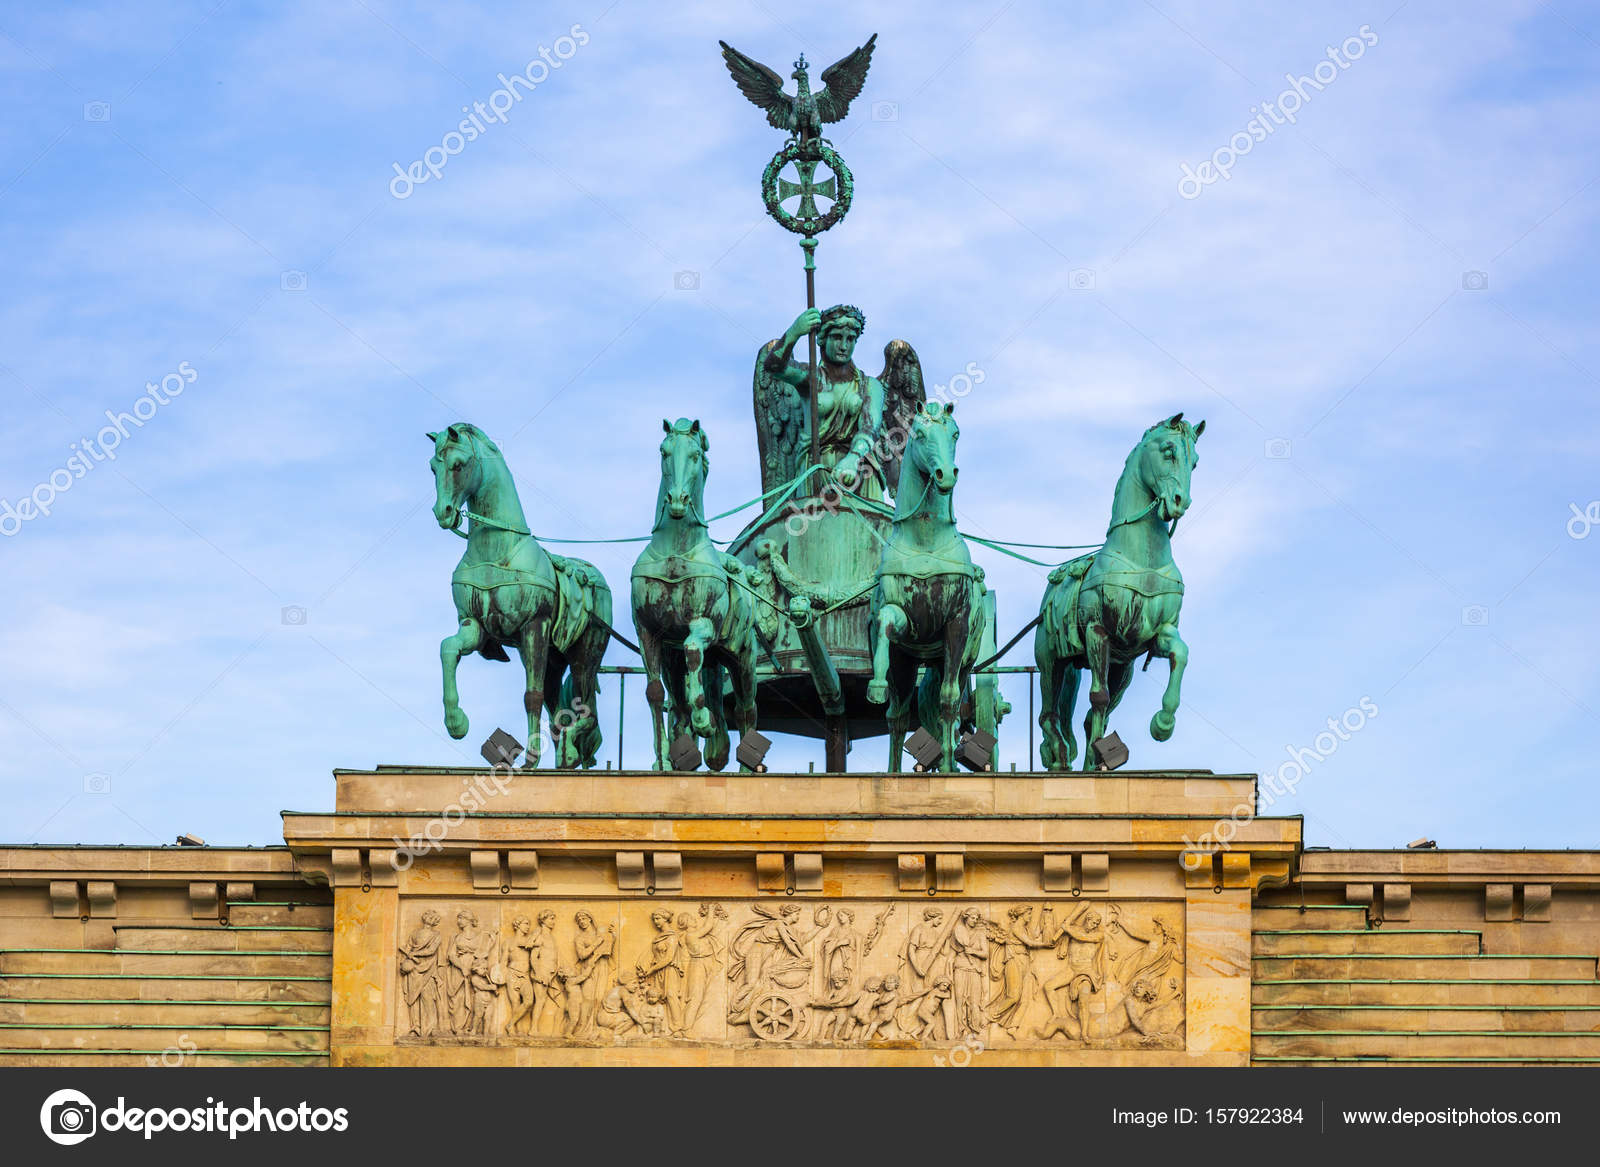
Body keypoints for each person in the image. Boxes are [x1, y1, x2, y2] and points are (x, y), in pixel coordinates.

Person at [762, 305, 888, 496]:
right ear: (822, 339)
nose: (844, 346)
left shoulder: (869, 386)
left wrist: (852, 459)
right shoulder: (810, 378)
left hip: (859, 468)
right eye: (837, 337)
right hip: (816, 469)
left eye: (850, 339)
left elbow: (870, 428)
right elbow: (773, 366)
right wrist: (795, 331)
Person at [396, 909, 445, 1037]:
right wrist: (405, 961)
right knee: (414, 998)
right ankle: (415, 1027)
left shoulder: (436, 935)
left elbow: (431, 950)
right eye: (428, 916)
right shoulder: (415, 933)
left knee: (428, 997)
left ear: (435, 921)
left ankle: (432, 1027)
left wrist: (415, 953)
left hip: (428, 968)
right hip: (413, 969)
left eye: (433, 917)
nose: (429, 918)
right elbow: (407, 948)